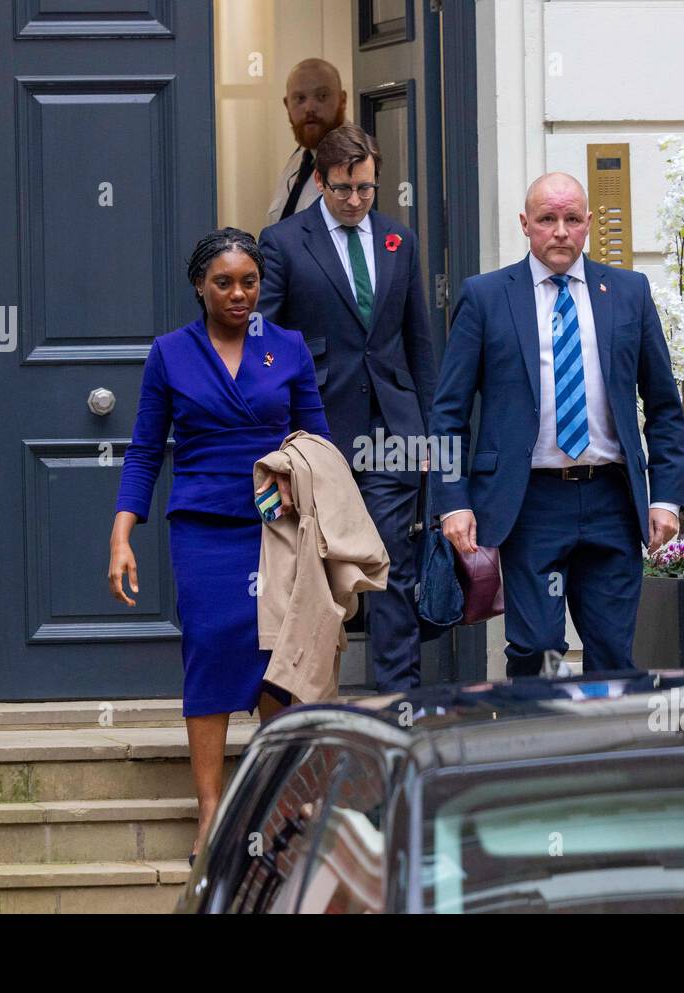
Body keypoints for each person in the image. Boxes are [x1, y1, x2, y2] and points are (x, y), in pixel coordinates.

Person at [108, 228, 330, 858]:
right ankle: (210, 810)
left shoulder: (286, 347)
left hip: (277, 526)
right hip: (204, 527)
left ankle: (283, 801)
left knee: (280, 658)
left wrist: (299, 479)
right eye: (224, 283)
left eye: (249, 282)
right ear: (200, 287)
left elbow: (319, 444)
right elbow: (145, 450)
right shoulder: (170, 354)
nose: (239, 294)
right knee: (209, 647)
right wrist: (122, 533)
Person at [430, 173, 684, 677]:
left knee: (613, 653)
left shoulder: (629, 293)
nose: (561, 231)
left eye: (572, 219)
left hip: (612, 499)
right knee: (537, 648)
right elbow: (448, 412)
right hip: (530, 502)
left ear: (588, 223)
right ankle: (537, 728)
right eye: (547, 219)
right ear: (525, 224)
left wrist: (665, 496)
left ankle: (605, 731)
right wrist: (453, 501)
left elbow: (663, 405)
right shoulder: (486, 297)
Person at [257, 123, 436, 693]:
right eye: (343, 188)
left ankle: (398, 704)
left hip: (391, 430)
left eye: (366, 188)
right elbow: (265, 345)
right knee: (316, 573)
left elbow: (418, 343)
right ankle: (312, 697)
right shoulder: (283, 242)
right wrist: (276, 440)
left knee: (392, 567)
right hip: (319, 432)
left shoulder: (399, 240)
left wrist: (429, 434)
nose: (355, 200)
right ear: (320, 181)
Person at [266, 59, 348, 226]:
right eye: (300, 98)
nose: (310, 107)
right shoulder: (296, 162)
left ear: (342, 100)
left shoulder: (359, 159)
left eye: (322, 96)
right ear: (287, 105)